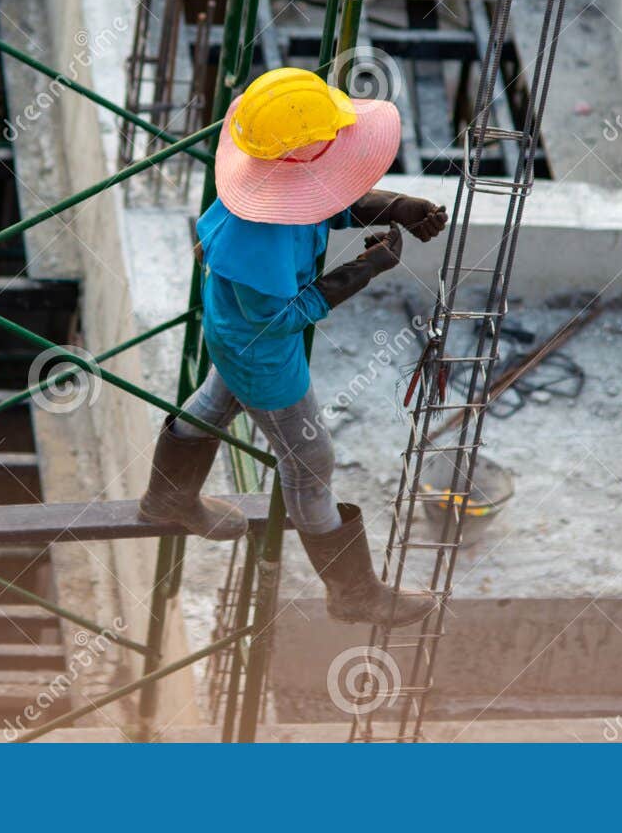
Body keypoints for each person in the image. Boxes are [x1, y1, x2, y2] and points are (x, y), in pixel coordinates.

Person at [137, 66, 447, 626]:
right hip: (261, 351)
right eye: (330, 145)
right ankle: (353, 593)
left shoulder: (265, 182)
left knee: (215, 398)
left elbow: (323, 198)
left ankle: (168, 497)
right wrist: (362, 271)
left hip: (231, 331)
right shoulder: (263, 234)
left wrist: (395, 204)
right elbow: (282, 317)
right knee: (309, 461)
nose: (338, 151)